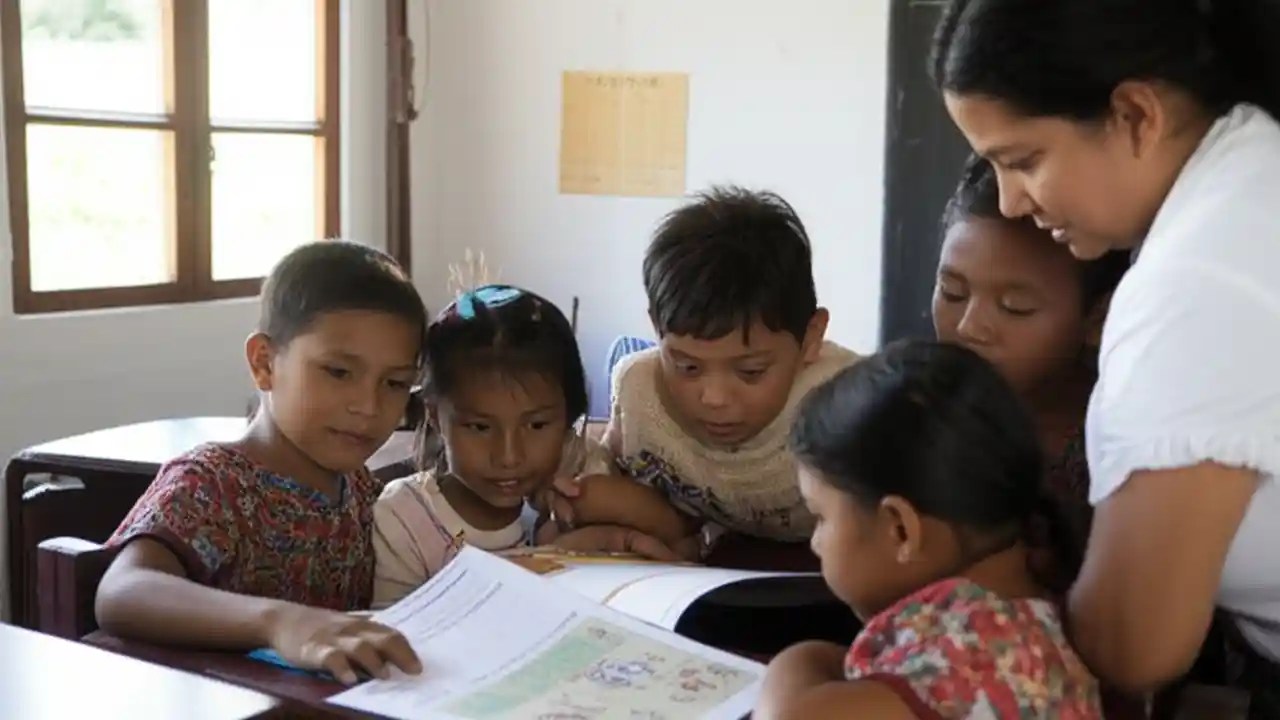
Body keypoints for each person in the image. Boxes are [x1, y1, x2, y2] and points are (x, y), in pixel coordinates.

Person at [931, 0, 1280, 701]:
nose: (1008, 203)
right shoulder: (1251, 169)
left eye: (1023, 161)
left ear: (1135, 117)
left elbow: (1134, 645)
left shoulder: (1195, 279)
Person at [95, 241, 426, 685]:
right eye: (339, 372)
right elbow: (122, 592)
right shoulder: (215, 483)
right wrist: (279, 622)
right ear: (265, 363)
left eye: (394, 382)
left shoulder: (362, 490)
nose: (368, 405)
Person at [756, 340, 1102, 720]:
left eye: (821, 517)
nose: (816, 543)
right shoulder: (1029, 619)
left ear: (901, 529)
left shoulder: (969, 654)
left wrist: (798, 659)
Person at [546, 187, 861, 560]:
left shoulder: (850, 402)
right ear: (657, 329)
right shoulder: (639, 391)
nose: (713, 398)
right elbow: (616, 471)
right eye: (688, 367)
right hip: (704, 563)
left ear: (810, 338)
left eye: (750, 372)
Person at [371, 285, 678, 608]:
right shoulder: (405, 519)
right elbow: (395, 637)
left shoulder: (578, 468)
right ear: (434, 416)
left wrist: (600, 510)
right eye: (480, 427)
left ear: (568, 416)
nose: (509, 457)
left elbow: (672, 531)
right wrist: (545, 562)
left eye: (537, 426)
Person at [933, 154, 1128, 591]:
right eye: (952, 292)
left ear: (1098, 318)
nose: (968, 327)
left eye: (1015, 307)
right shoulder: (922, 409)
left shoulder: (1122, 448)